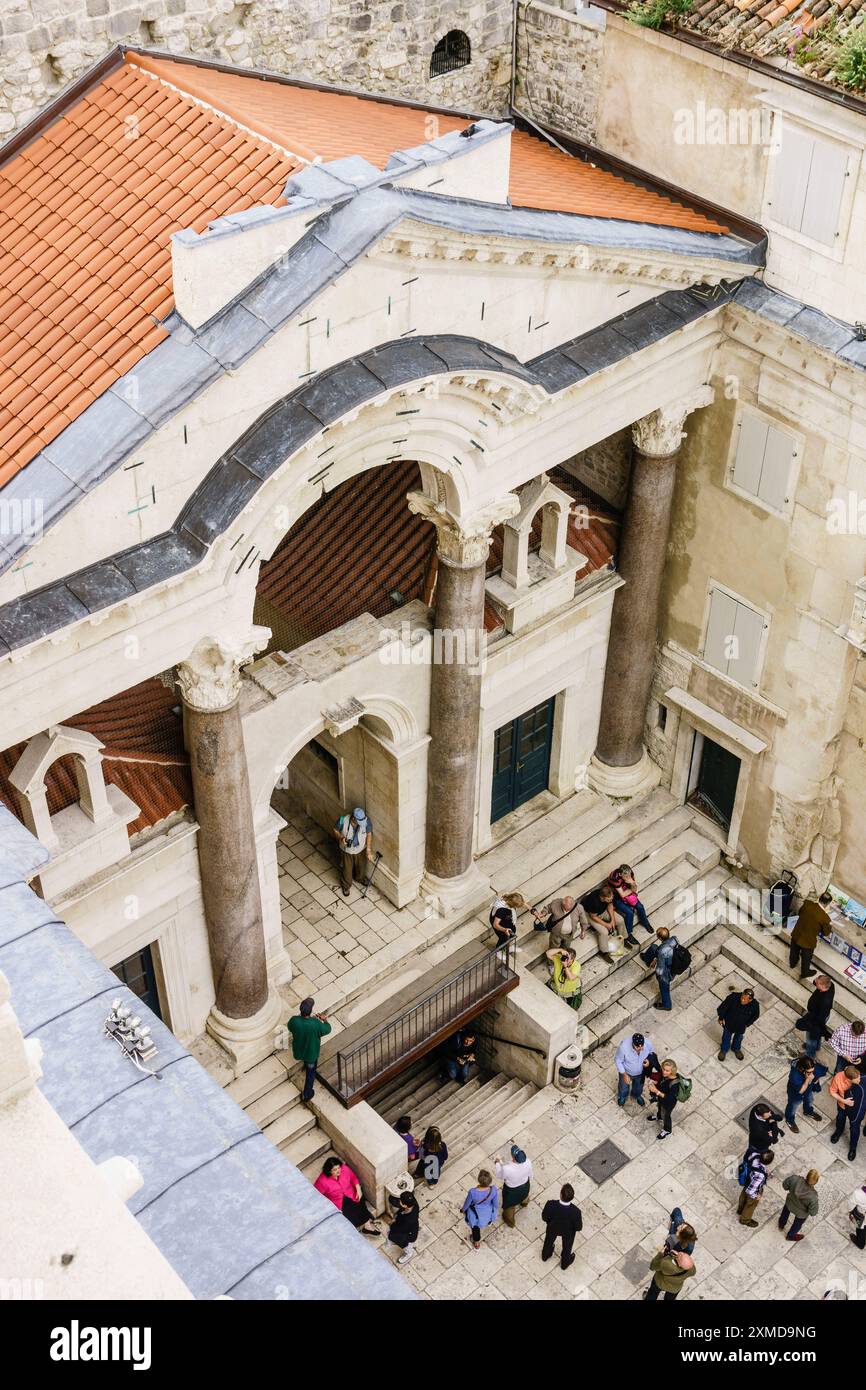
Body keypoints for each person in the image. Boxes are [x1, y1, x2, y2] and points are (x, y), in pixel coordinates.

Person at [314, 1157, 380, 1234]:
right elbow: (316, 1195)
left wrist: (358, 1189)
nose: (338, 1171)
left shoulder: (344, 1169)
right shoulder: (322, 1181)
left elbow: (353, 1178)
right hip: (339, 1202)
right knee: (350, 1216)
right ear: (329, 1171)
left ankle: (367, 1225)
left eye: (338, 1168)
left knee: (360, 1201)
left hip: (351, 1194)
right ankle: (365, 1224)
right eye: (334, 1170)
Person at [288, 996, 331, 1102]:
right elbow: (328, 1029)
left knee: (307, 1062)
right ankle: (307, 1094)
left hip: (299, 1051)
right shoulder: (315, 1023)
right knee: (310, 1074)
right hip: (311, 1054)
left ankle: (305, 1065)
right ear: (311, 1011)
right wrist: (324, 1020)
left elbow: (290, 1027)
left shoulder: (294, 1020)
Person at [788, 891, 832, 979]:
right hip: (808, 940)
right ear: (827, 904)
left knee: (794, 951)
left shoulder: (807, 904)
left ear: (819, 898)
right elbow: (826, 933)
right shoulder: (825, 918)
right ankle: (805, 972)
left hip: (797, 933)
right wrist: (830, 925)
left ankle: (792, 963)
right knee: (806, 957)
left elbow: (800, 913)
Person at [333, 805, 373, 897]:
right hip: (347, 850)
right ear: (354, 818)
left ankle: (360, 878)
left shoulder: (366, 821)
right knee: (347, 870)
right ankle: (346, 885)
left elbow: (369, 834)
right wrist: (341, 837)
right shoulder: (343, 820)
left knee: (361, 867)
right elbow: (335, 830)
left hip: (360, 849)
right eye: (359, 821)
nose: (361, 823)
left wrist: (368, 850)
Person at [541, 1183, 583, 1270]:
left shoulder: (550, 1204)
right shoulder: (576, 1212)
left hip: (552, 1228)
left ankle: (545, 1255)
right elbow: (578, 1227)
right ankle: (564, 1263)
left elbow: (544, 1217)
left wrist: (550, 1222)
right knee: (567, 1247)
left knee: (548, 1241)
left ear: (560, 1194)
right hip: (568, 1232)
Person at [608, 864, 653, 942]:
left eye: (629, 876)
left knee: (640, 906)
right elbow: (622, 895)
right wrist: (631, 889)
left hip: (628, 895)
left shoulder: (630, 873)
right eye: (626, 877)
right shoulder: (614, 878)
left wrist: (632, 883)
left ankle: (645, 922)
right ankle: (628, 934)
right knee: (629, 912)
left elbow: (634, 889)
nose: (628, 878)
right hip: (616, 898)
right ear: (621, 874)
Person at [582, 883, 629, 956]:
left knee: (620, 920)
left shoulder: (609, 895)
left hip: (602, 910)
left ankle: (624, 939)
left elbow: (610, 905)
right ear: (603, 898)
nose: (611, 899)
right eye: (608, 899)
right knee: (604, 932)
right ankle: (603, 952)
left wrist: (612, 920)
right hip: (590, 914)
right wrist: (607, 925)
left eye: (611, 898)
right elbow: (593, 916)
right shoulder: (594, 901)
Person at [716, 987, 760, 1061]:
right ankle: (724, 1049)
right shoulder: (733, 997)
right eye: (742, 997)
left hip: (741, 1026)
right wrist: (721, 1018)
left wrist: (747, 1024)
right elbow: (724, 1007)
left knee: (738, 1038)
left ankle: (736, 1048)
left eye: (745, 1000)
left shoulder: (755, 1005)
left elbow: (755, 1015)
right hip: (729, 1023)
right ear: (742, 994)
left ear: (750, 1000)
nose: (742, 1000)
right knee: (726, 1037)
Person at [784, 1055, 824, 1132]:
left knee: (809, 1101)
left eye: (812, 1071)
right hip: (795, 1094)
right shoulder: (794, 1075)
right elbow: (801, 1091)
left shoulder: (810, 1066)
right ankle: (789, 1120)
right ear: (802, 1069)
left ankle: (808, 1112)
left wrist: (815, 1080)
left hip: (808, 1090)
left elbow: (819, 1072)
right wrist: (808, 1079)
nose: (812, 1073)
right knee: (792, 1107)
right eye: (809, 1072)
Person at [495, 1145, 533, 1227]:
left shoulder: (507, 1169)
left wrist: (497, 1163)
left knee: (509, 1207)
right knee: (525, 1196)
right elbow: (530, 1174)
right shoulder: (528, 1161)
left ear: (513, 1157)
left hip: (511, 1192)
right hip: (525, 1186)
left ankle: (510, 1222)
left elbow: (499, 1175)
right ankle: (524, 1203)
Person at [614, 1030, 653, 1108]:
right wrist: (624, 1074)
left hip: (641, 1072)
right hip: (627, 1072)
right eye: (638, 1047)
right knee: (623, 1086)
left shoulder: (648, 1044)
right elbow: (618, 1060)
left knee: (639, 1087)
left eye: (642, 1046)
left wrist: (649, 1061)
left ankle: (636, 1095)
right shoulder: (623, 1047)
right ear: (633, 1044)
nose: (641, 1048)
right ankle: (622, 1096)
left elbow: (651, 1054)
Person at [799, 975, 835, 1059]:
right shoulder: (831, 985)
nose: (815, 982)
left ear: (822, 986)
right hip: (818, 1015)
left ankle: (809, 1056)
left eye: (817, 983)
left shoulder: (825, 1002)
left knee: (811, 1038)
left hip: (817, 1019)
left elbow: (820, 1021)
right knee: (817, 1035)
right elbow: (816, 982)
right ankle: (817, 1047)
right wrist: (817, 981)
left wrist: (825, 1033)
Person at [778, 1170, 820, 1242]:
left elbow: (784, 1185)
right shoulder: (813, 1197)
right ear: (815, 1182)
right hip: (801, 1213)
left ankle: (781, 1225)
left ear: (807, 1176)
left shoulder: (794, 1179)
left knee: (784, 1213)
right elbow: (813, 1213)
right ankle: (790, 1236)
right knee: (797, 1224)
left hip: (790, 1203)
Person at [462, 1170, 499, 1249]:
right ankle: (488, 1222)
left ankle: (477, 1243)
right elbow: (496, 1204)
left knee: (475, 1228)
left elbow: (467, 1204)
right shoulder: (494, 1189)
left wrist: (463, 1210)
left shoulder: (473, 1192)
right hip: (488, 1213)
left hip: (476, 1215)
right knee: (483, 1222)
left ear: (479, 1179)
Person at [645, 926, 679, 1011]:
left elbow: (660, 970)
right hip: (673, 963)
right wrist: (656, 959)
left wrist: (659, 977)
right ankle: (646, 957)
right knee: (653, 947)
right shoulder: (674, 940)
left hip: (667, 972)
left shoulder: (661, 952)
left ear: (659, 938)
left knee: (664, 987)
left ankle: (667, 1005)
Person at [833, 1074, 866, 1161]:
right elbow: (833, 1091)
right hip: (843, 1106)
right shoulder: (858, 1078)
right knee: (840, 1118)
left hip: (857, 1113)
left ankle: (853, 1148)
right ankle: (838, 1132)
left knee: (854, 1130)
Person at [737, 1149, 773, 1227]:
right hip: (753, 1188)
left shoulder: (754, 1155)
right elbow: (750, 1191)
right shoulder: (760, 1175)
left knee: (743, 1196)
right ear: (769, 1162)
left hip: (747, 1180)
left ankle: (740, 1210)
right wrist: (757, 1196)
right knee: (751, 1204)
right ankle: (745, 1220)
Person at [647, 1058, 679, 1140]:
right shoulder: (666, 1076)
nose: (664, 1072)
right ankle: (659, 1116)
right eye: (663, 1069)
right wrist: (656, 1083)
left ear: (672, 1071)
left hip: (668, 1104)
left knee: (666, 1116)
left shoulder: (675, 1084)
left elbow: (669, 1099)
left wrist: (656, 1091)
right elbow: (663, 1083)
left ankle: (667, 1130)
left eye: (667, 1071)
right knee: (660, 1108)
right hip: (661, 1100)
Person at [387, 1191, 420, 1265]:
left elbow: (400, 1229)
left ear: (405, 1205)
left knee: (407, 1246)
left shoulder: (409, 1220)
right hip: (407, 1228)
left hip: (409, 1234)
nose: (399, 1201)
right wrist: (395, 1219)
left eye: (401, 1201)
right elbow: (401, 1212)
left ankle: (409, 1254)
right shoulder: (413, 1203)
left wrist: (392, 1225)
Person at [545, 945, 582, 1009]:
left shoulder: (576, 965)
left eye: (567, 958)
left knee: (572, 1009)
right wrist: (560, 950)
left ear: (572, 959)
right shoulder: (559, 958)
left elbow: (571, 978)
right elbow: (548, 953)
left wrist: (565, 967)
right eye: (565, 956)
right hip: (556, 988)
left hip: (569, 992)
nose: (564, 959)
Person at [848, 1181, 866, 1249]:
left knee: (860, 1229)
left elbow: (851, 1205)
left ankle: (860, 1243)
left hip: (862, 1217)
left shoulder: (858, 1193)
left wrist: (851, 1213)